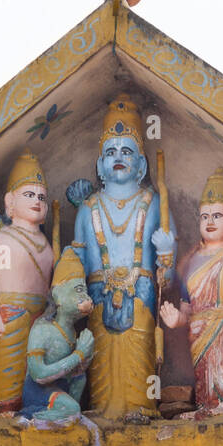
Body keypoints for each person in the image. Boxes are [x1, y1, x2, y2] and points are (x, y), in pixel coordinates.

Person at [69, 94, 175, 421]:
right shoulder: (88, 210)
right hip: (99, 295)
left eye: (127, 151)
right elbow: (77, 265)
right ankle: (102, 409)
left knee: (139, 349)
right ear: (100, 163)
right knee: (99, 355)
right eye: (110, 152)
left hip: (141, 292)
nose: (118, 158)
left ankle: (142, 407)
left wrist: (167, 252)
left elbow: (165, 277)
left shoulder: (152, 201)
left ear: (141, 165)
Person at [160, 166, 223, 417]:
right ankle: (206, 405)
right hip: (199, 330)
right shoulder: (191, 261)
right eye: (204, 216)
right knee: (204, 372)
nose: (210, 222)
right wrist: (176, 320)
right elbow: (186, 308)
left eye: (218, 215)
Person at [0, 151, 54, 416]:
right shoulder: (2, 238)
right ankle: (5, 410)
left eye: (41, 196)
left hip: (39, 318)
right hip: (8, 314)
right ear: (10, 201)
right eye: (29, 194)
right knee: (7, 367)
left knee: (35, 370)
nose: (36, 200)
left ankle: (33, 409)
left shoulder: (46, 245)